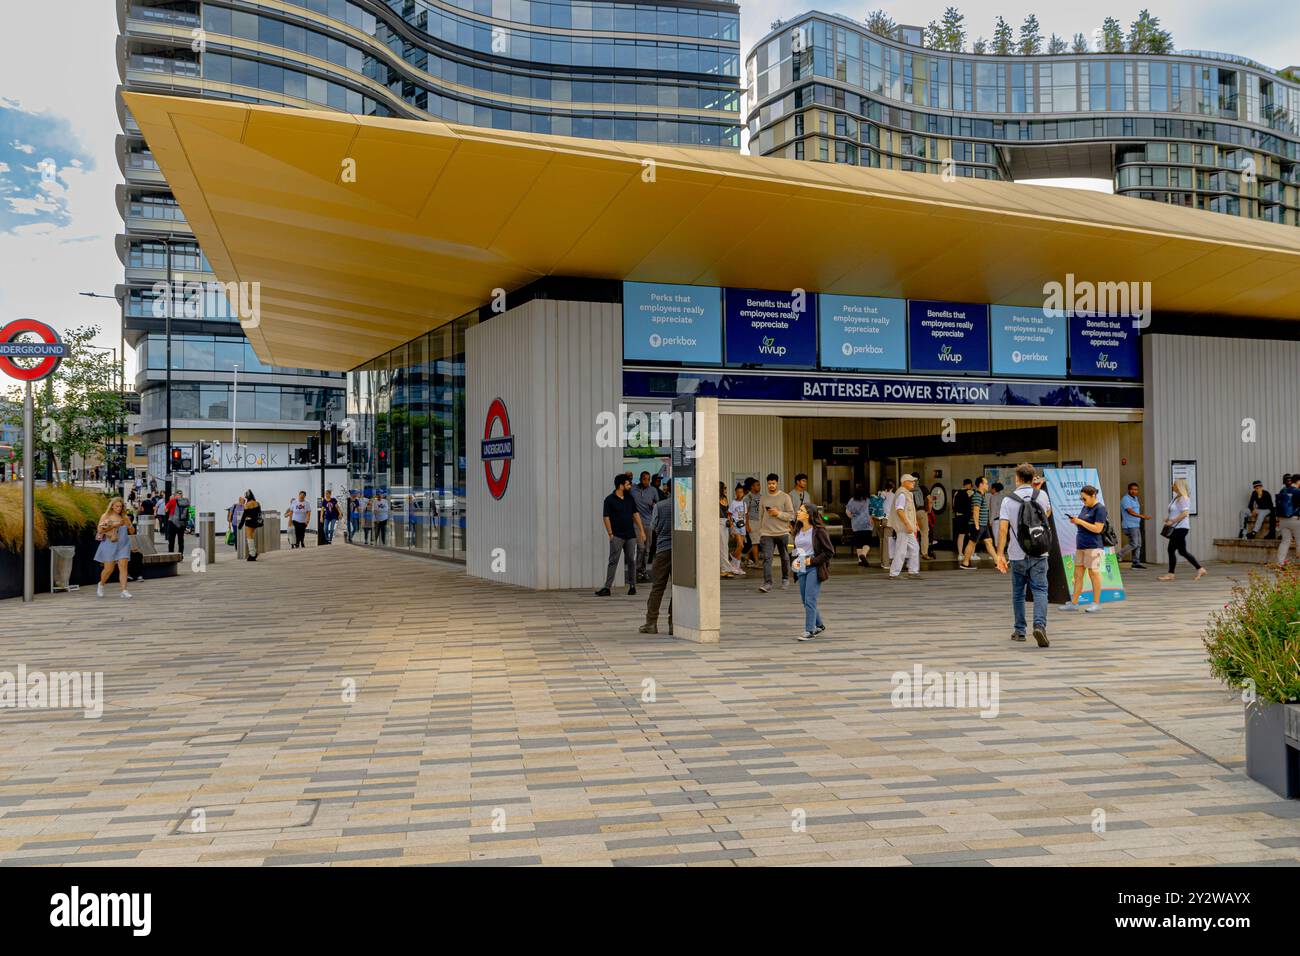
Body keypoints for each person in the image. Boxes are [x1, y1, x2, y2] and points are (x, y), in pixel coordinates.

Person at [995, 463, 1052, 647]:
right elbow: (1046, 515)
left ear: (1017, 478)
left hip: (1017, 553)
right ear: (1033, 477)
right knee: (1040, 590)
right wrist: (1036, 492)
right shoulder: (1042, 495)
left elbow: (1003, 530)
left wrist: (999, 555)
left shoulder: (1007, 500)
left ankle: (1020, 631)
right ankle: (1039, 626)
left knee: (1018, 593)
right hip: (1040, 551)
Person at [596, 473, 645, 596]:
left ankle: (632, 586)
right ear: (621, 485)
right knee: (613, 561)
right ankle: (607, 588)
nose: (630, 486)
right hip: (617, 535)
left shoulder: (630, 498)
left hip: (630, 535)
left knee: (631, 561)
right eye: (628, 484)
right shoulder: (609, 500)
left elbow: (635, 514)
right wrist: (610, 534)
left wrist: (642, 530)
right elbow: (606, 517)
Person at [791, 503, 834, 641]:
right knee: (805, 600)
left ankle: (809, 630)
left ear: (809, 514)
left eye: (801, 510)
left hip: (814, 568)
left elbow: (829, 552)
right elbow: (796, 548)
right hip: (801, 567)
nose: (798, 512)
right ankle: (819, 625)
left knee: (810, 599)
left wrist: (813, 561)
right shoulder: (797, 529)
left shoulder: (819, 531)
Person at [1063, 484, 1108, 613]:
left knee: (1094, 573)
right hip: (1081, 545)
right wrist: (1075, 521)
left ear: (1093, 496)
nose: (1083, 501)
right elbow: (1084, 524)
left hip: (1093, 546)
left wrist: (1080, 522)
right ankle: (1074, 602)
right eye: (1081, 499)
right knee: (1077, 575)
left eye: (1084, 498)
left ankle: (1096, 603)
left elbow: (1098, 529)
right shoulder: (1085, 507)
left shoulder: (1100, 509)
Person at [640, 479, 673, 634]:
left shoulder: (660, 506)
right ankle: (673, 623)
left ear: (668, 489)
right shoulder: (687, 505)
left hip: (663, 550)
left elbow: (653, 527)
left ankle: (651, 623)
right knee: (678, 588)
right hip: (682, 552)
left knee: (658, 587)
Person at [1159, 478, 1206, 581]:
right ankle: (1200, 569)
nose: (1172, 486)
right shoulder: (1176, 498)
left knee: (1171, 549)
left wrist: (1172, 521)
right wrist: (1169, 518)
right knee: (1182, 551)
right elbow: (1177, 512)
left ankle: (1171, 574)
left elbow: (1185, 513)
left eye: (1174, 484)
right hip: (1177, 528)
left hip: (1180, 528)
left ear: (1179, 486)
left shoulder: (1183, 498)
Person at [756, 473, 795, 593]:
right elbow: (760, 516)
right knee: (767, 558)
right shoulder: (763, 497)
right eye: (769, 483)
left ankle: (785, 579)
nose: (771, 485)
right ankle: (767, 583)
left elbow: (791, 515)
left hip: (783, 532)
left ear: (777, 483)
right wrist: (761, 531)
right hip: (767, 533)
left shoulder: (785, 497)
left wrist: (778, 513)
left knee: (785, 557)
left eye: (773, 483)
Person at [95, 497, 135, 599]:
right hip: (109, 544)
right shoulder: (106, 516)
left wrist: (129, 525)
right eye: (117, 506)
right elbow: (100, 530)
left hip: (123, 544)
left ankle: (124, 590)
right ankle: (101, 584)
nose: (119, 508)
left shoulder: (125, 517)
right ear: (112, 506)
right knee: (109, 569)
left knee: (123, 567)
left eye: (120, 506)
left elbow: (132, 532)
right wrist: (114, 525)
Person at [959, 476, 997, 569]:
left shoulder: (981, 495)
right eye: (986, 483)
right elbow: (976, 511)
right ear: (981, 484)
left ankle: (997, 561)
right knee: (972, 543)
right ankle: (965, 563)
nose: (988, 485)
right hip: (978, 524)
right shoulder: (977, 496)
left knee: (988, 542)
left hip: (983, 524)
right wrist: (976, 525)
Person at [888, 474, 921, 578]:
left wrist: (915, 524)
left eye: (913, 481)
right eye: (911, 481)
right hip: (903, 527)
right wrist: (907, 524)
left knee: (915, 547)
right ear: (904, 482)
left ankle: (913, 571)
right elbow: (900, 510)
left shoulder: (907, 493)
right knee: (901, 549)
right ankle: (894, 573)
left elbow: (910, 512)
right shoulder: (902, 494)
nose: (913, 483)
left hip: (908, 527)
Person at [630, 471, 659, 583]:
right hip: (636, 523)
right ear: (640, 479)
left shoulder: (653, 490)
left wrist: (653, 505)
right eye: (644, 479)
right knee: (640, 547)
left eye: (647, 479)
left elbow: (657, 504)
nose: (646, 481)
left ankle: (643, 570)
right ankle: (638, 570)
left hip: (648, 523)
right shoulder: (633, 489)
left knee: (647, 549)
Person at [1118, 482, 1149, 569]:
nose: (1134, 491)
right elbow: (1130, 511)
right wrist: (1142, 516)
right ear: (1128, 490)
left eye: (1135, 489)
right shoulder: (1125, 499)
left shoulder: (1135, 498)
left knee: (1138, 544)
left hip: (1136, 525)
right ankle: (1117, 556)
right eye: (1132, 489)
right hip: (1129, 525)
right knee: (1134, 543)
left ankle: (1135, 563)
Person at [845, 484, 873, 567]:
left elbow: (848, 512)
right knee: (867, 542)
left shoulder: (852, 500)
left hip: (856, 524)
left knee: (859, 543)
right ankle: (863, 555)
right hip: (867, 524)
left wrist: (852, 517)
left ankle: (860, 560)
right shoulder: (868, 500)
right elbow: (872, 511)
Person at [1275, 474, 1300, 566]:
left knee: (1285, 542)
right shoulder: (1298, 491)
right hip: (1295, 520)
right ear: (1298, 481)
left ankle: (1280, 563)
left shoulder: (1283, 490)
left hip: (1283, 520)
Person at [743, 477, 763, 568]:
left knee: (760, 541)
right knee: (755, 542)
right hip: (752, 521)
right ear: (752, 487)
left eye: (759, 485)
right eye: (757, 485)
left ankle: (747, 556)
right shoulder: (747, 498)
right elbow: (745, 512)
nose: (759, 487)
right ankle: (756, 562)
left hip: (761, 521)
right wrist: (747, 525)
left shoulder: (762, 496)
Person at [952, 478, 973, 560]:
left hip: (958, 516)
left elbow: (954, 505)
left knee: (961, 535)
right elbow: (971, 505)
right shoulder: (969, 492)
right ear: (969, 485)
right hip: (966, 517)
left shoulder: (956, 492)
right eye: (971, 485)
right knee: (971, 535)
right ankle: (971, 554)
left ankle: (960, 554)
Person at [728, 484, 748, 567]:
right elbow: (729, 514)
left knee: (739, 547)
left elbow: (745, 515)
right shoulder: (733, 503)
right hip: (735, 526)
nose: (739, 494)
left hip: (742, 526)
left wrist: (746, 526)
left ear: (743, 493)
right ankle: (732, 556)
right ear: (735, 493)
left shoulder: (744, 503)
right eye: (738, 492)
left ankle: (737, 566)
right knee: (741, 545)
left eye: (741, 492)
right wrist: (731, 526)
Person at [911, 478, 931, 560]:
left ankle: (912, 553)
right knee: (924, 533)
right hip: (921, 512)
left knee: (912, 534)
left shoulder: (908, 490)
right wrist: (929, 510)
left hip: (912, 513)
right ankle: (924, 553)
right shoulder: (922, 488)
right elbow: (930, 499)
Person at [240, 489, 263, 561]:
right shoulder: (257, 503)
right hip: (256, 522)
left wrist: (240, 525)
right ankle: (253, 553)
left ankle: (252, 554)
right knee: (251, 536)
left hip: (249, 522)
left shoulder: (247, 504)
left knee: (249, 537)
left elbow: (244, 515)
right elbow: (259, 513)